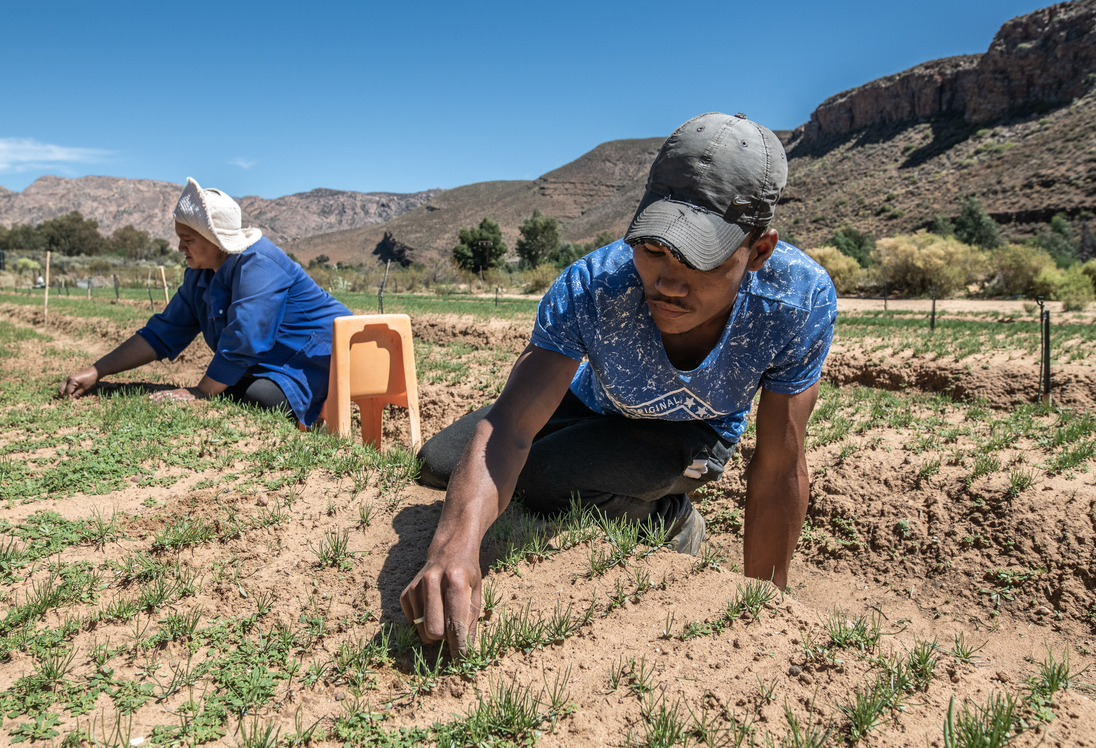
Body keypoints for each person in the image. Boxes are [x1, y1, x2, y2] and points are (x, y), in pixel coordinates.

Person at [400, 112, 836, 656]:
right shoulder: (595, 283)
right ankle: (594, 479)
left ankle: (672, 518)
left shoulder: (796, 302)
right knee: (443, 461)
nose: (668, 282)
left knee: (548, 477)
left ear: (759, 251)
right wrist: (452, 549)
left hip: (691, 431)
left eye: (702, 258)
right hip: (597, 402)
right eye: (654, 248)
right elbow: (510, 424)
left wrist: (765, 605)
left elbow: (778, 465)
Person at [58, 178, 352, 426]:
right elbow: (162, 333)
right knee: (233, 387)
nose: (179, 247)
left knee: (258, 397)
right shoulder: (200, 277)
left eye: (188, 239)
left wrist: (201, 392)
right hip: (273, 363)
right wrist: (97, 371)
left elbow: (247, 337)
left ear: (215, 239)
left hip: (319, 359)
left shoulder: (258, 264)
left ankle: (316, 426)